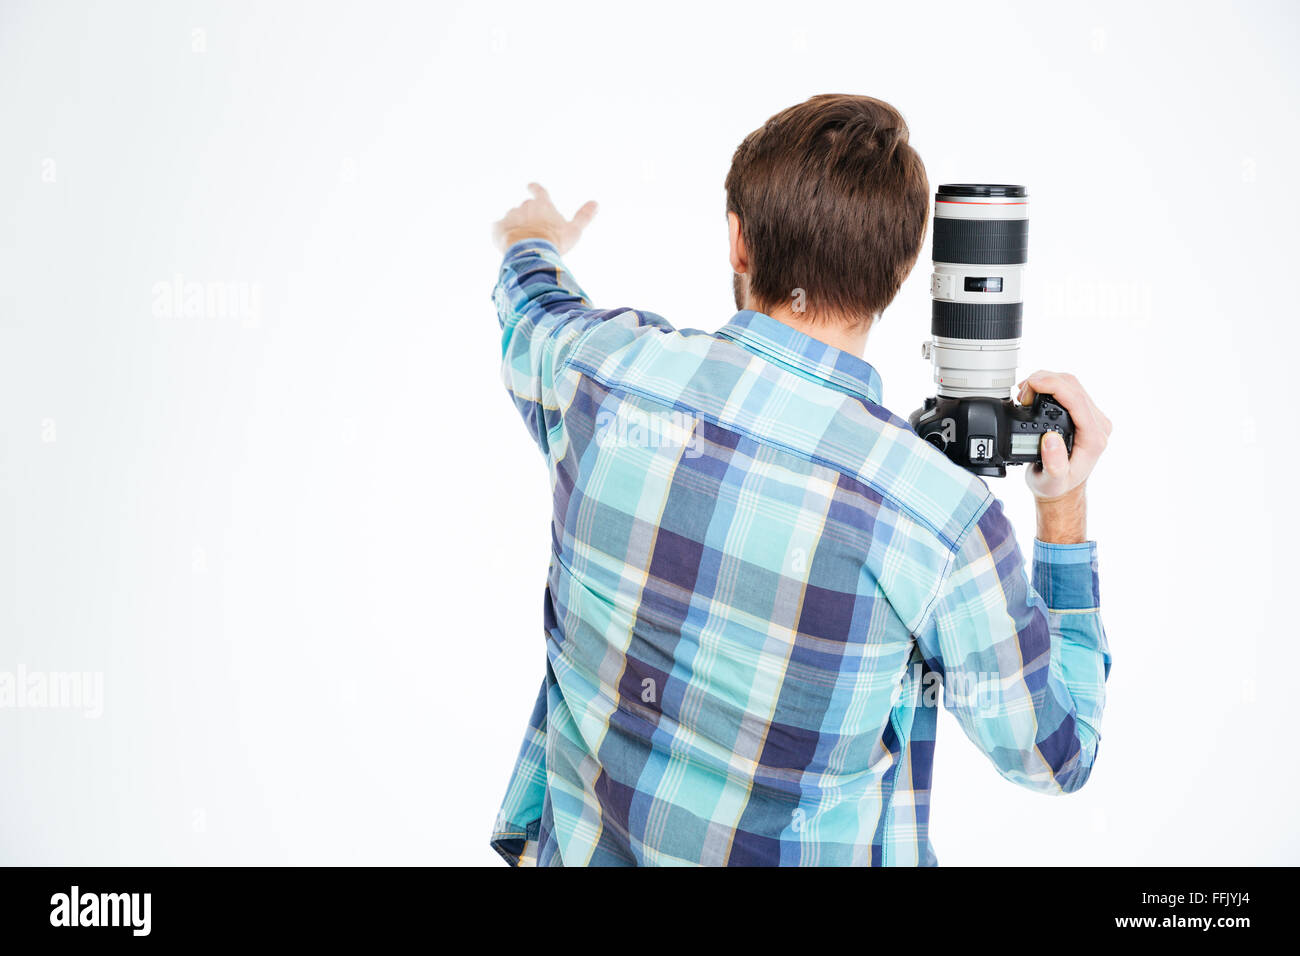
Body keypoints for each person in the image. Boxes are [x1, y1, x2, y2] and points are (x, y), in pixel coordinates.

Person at [487, 94, 1112, 866]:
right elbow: (1058, 753)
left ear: (737, 242)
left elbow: (533, 306)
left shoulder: (599, 370)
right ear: (904, 270)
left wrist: (532, 238)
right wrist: (1062, 509)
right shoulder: (939, 518)